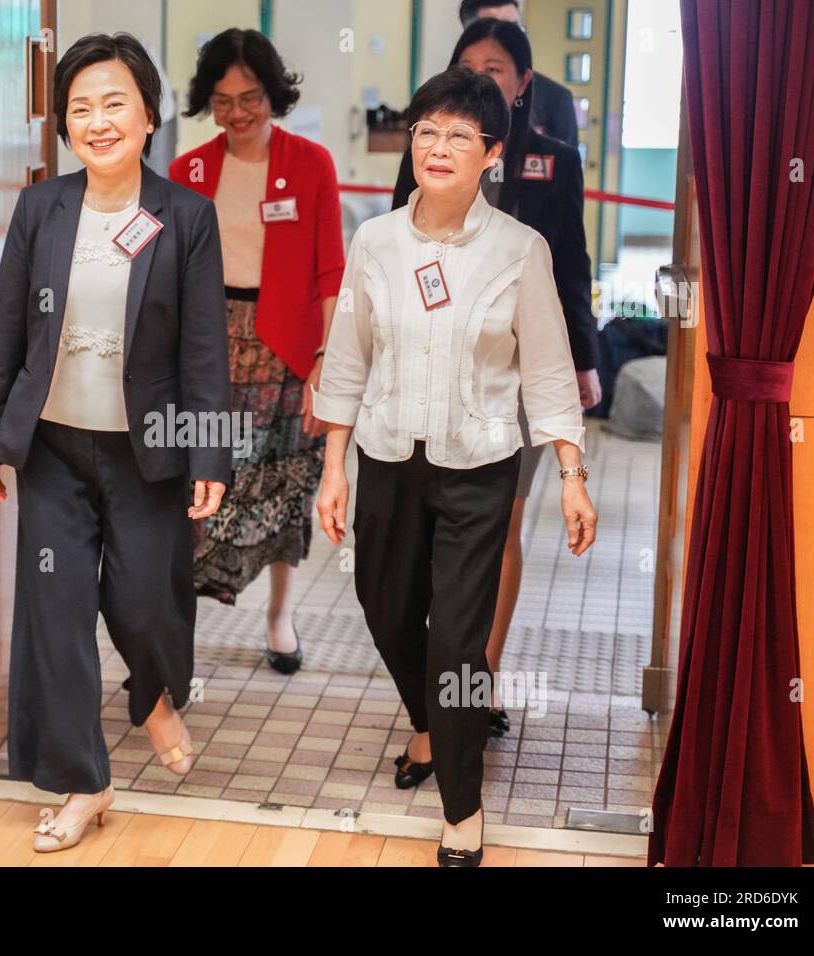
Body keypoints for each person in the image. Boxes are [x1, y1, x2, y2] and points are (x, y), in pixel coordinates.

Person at [312, 66, 597, 866]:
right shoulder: (375, 241)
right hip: (388, 458)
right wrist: (334, 466)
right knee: (383, 606)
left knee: (458, 647)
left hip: (479, 469)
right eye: (427, 131)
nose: (438, 147)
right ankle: (435, 723)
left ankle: (462, 810)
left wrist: (571, 473)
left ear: (491, 154)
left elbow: (545, 370)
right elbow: (346, 360)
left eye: (459, 136)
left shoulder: (519, 251)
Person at [0, 32, 232, 853]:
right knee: (56, 614)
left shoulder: (185, 215)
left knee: (143, 604)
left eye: (114, 101)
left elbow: (204, 349)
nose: (97, 120)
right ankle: (85, 781)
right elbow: (7, 330)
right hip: (52, 447)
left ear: (149, 114)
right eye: (80, 107)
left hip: (146, 449)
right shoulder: (42, 208)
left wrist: (210, 454)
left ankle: (153, 696)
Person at [392, 17, 602, 740]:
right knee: (422, 531)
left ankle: (477, 675)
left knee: (499, 524)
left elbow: (570, 265)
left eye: (497, 67)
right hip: (430, 366)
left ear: (523, 85)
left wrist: (583, 361)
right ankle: (439, 679)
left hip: (516, 376)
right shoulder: (431, 150)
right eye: (468, 65)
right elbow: (395, 248)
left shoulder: (554, 158)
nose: (482, 78)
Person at [169, 28, 344, 674]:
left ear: (274, 93)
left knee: (281, 486)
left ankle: (280, 619)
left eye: (250, 97)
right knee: (195, 486)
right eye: (221, 100)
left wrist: (327, 358)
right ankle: (171, 630)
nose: (237, 113)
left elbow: (331, 271)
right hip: (210, 345)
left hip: (286, 347)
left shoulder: (312, 164)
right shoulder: (189, 169)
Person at [458, 0, 579, 147]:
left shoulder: (555, 98)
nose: (509, 39)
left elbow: (565, 164)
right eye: (494, 28)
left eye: (516, 28)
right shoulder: (445, 95)